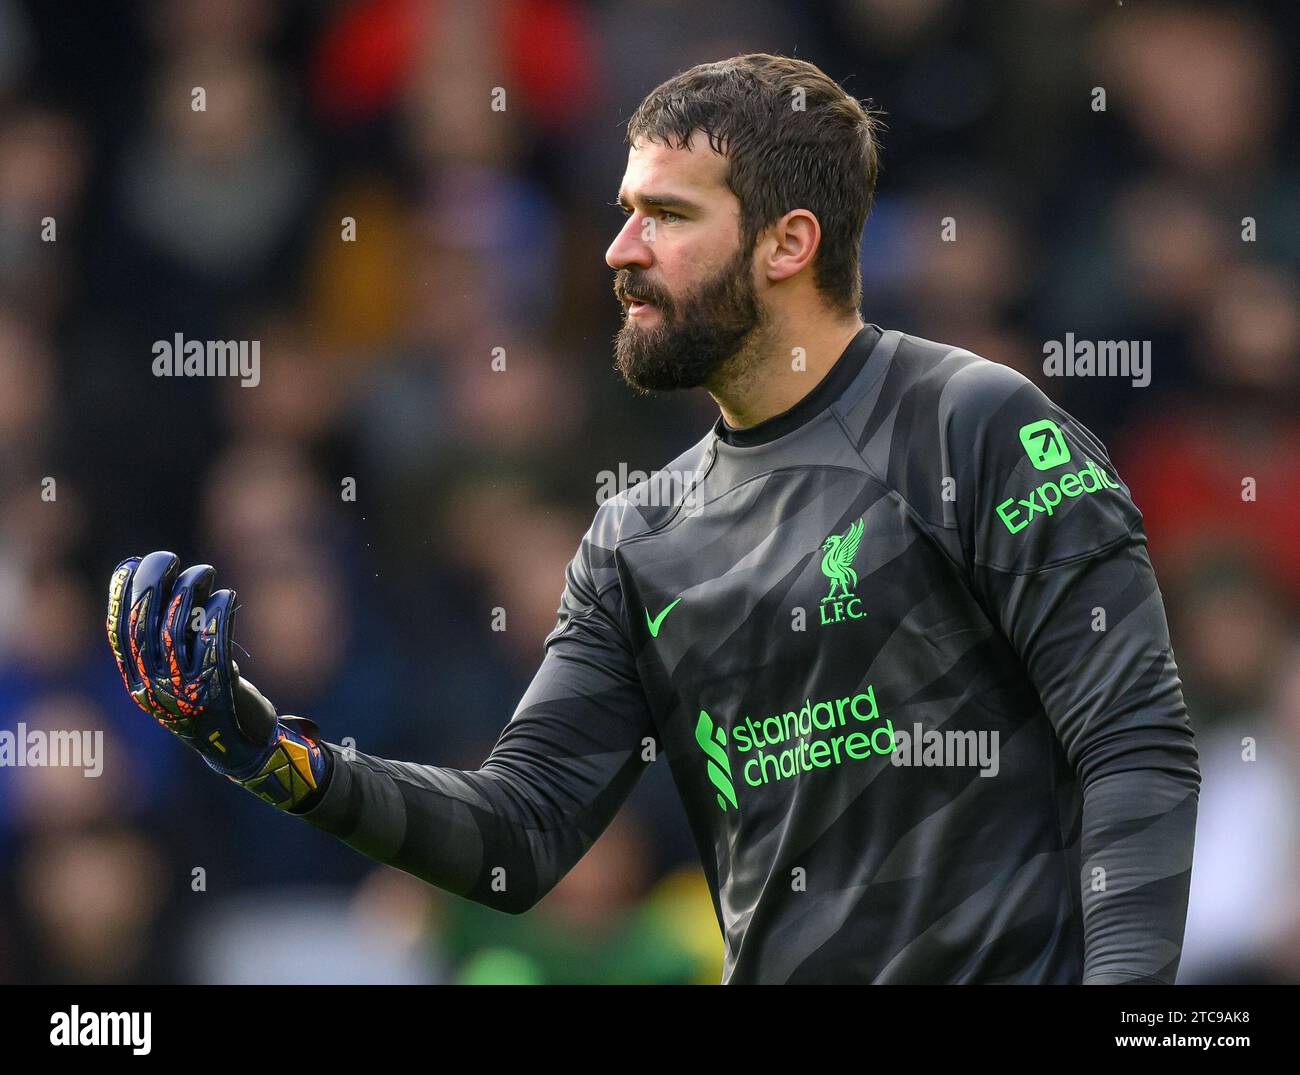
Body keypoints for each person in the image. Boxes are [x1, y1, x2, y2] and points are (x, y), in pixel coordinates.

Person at [106, 53, 1199, 984]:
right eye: (626, 211)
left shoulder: (977, 426)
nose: (619, 250)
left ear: (786, 243)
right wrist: (269, 750)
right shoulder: (639, 535)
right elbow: (519, 832)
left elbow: (1132, 742)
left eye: (666, 216)